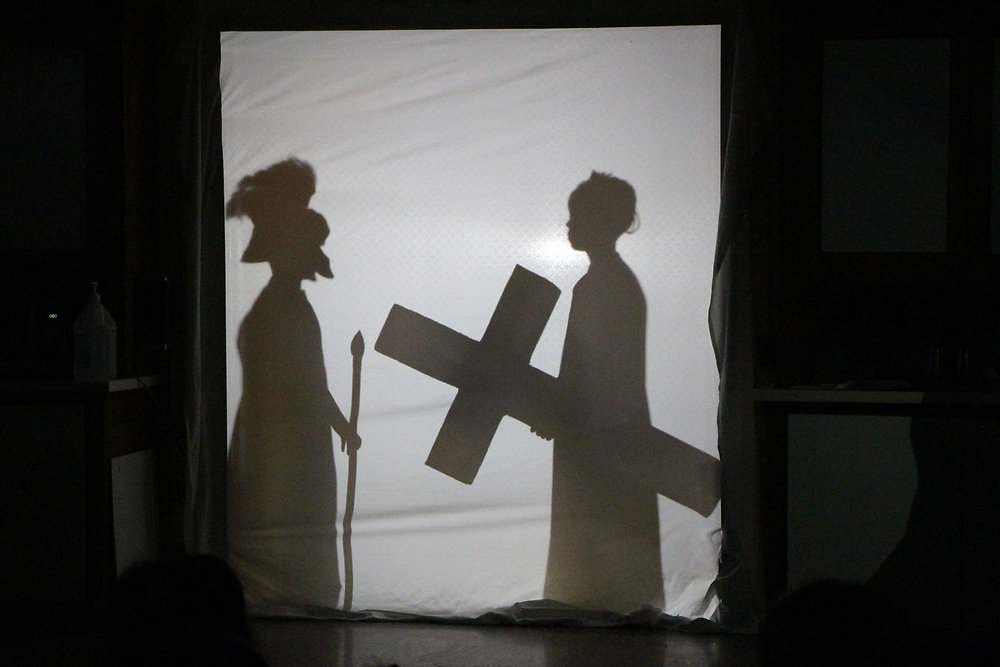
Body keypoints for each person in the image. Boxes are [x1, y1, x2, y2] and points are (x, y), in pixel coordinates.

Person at [226, 158, 361, 609]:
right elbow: (305, 384)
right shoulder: (281, 312)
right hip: (285, 443)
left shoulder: (281, 308)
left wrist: (339, 424)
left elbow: (308, 381)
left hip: (280, 438)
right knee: (290, 529)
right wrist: (341, 424)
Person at [536, 171, 663, 613]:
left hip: (600, 436)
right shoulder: (609, 283)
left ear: (602, 220)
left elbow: (596, 370)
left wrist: (562, 412)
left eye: (576, 217)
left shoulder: (603, 286)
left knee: (597, 535)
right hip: (603, 431)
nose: (569, 226)